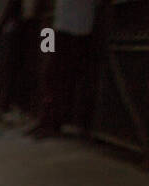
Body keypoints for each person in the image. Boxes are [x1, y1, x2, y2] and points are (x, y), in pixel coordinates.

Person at [28, 0, 97, 137]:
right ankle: (47, 119)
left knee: (58, 75)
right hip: (62, 26)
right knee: (51, 74)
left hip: (74, 28)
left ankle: (52, 121)